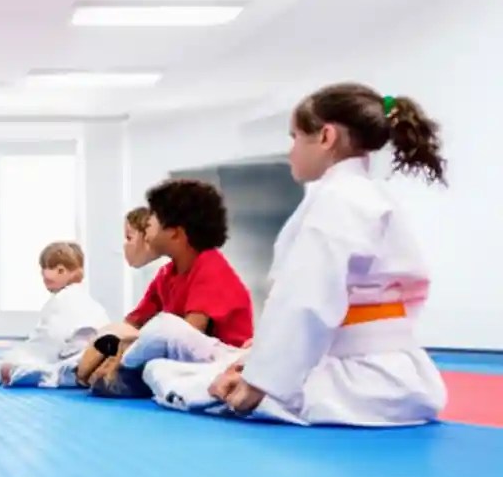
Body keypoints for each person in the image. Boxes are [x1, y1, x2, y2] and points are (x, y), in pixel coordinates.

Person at [152, 83, 448, 426]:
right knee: (192, 370)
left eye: (294, 137)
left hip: (357, 384)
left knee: (167, 374)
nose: (291, 150)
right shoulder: (368, 196)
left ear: (326, 137)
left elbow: (308, 301)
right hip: (396, 375)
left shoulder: (339, 200)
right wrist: (261, 357)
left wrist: (259, 382)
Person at [75, 179, 254, 396]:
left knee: (164, 327)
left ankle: (123, 372)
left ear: (176, 233)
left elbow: (186, 334)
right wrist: (108, 346)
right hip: (187, 364)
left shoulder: (210, 265)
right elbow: (132, 323)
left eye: (153, 217)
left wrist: (124, 348)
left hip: (223, 360)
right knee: (148, 361)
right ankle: (74, 372)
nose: (147, 222)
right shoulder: (167, 274)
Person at [0, 242, 110, 387]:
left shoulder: (64, 300)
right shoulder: (89, 302)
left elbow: (48, 342)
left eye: (59, 270)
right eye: (44, 268)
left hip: (75, 361)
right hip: (95, 360)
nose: (46, 274)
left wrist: (17, 357)